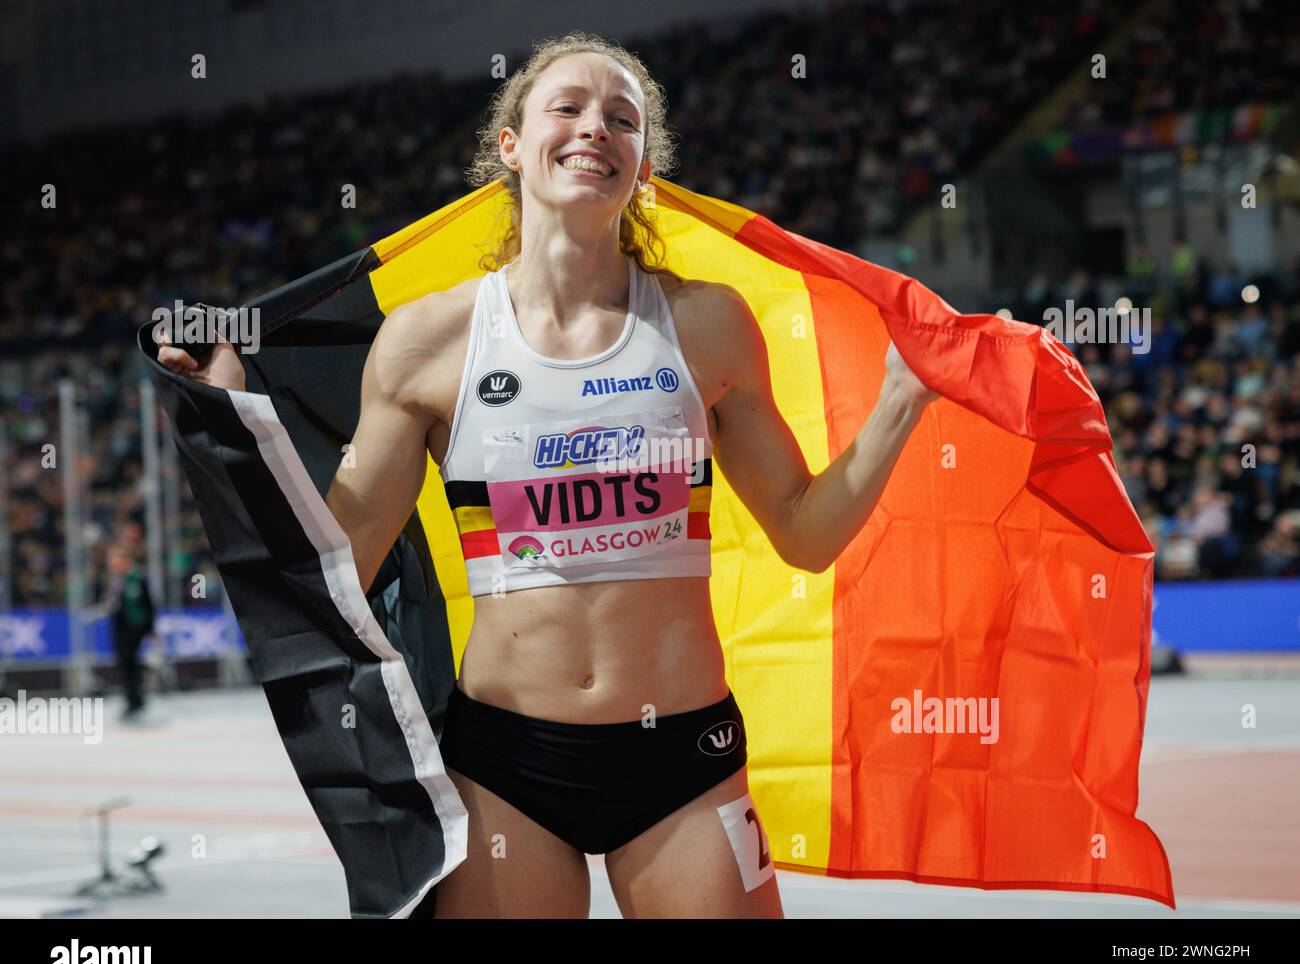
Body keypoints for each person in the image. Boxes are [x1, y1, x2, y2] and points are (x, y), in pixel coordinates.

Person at [157, 33, 940, 918]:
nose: (594, 128)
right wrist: (234, 418)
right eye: (567, 108)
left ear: (644, 166)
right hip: (505, 769)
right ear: (511, 145)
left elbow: (803, 531)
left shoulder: (707, 327)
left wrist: (901, 403)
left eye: (623, 119)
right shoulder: (428, 341)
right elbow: (343, 566)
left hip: (684, 760)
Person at [104, 544, 155, 719]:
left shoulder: (136, 577)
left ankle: (134, 700)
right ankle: (133, 699)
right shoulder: (117, 580)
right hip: (120, 627)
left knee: (129, 662)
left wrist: (150, 628)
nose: (112, 563)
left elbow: (148, 604)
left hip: (134, 627)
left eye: (116, 559)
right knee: (126, 663)